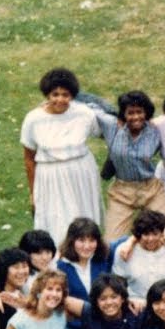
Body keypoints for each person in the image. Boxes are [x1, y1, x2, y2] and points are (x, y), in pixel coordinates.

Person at [21, 68, 106, 244]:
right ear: (47, 94)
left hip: (81, 173)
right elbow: (29, 158)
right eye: (55, 94)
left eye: (65, 94)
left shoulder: (84, 114)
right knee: (57, 223)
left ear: (72, 95)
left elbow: (107, 132)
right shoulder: (33, 119)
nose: (60, 99)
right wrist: (32, 192)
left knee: (85, 219)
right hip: (51, 176)